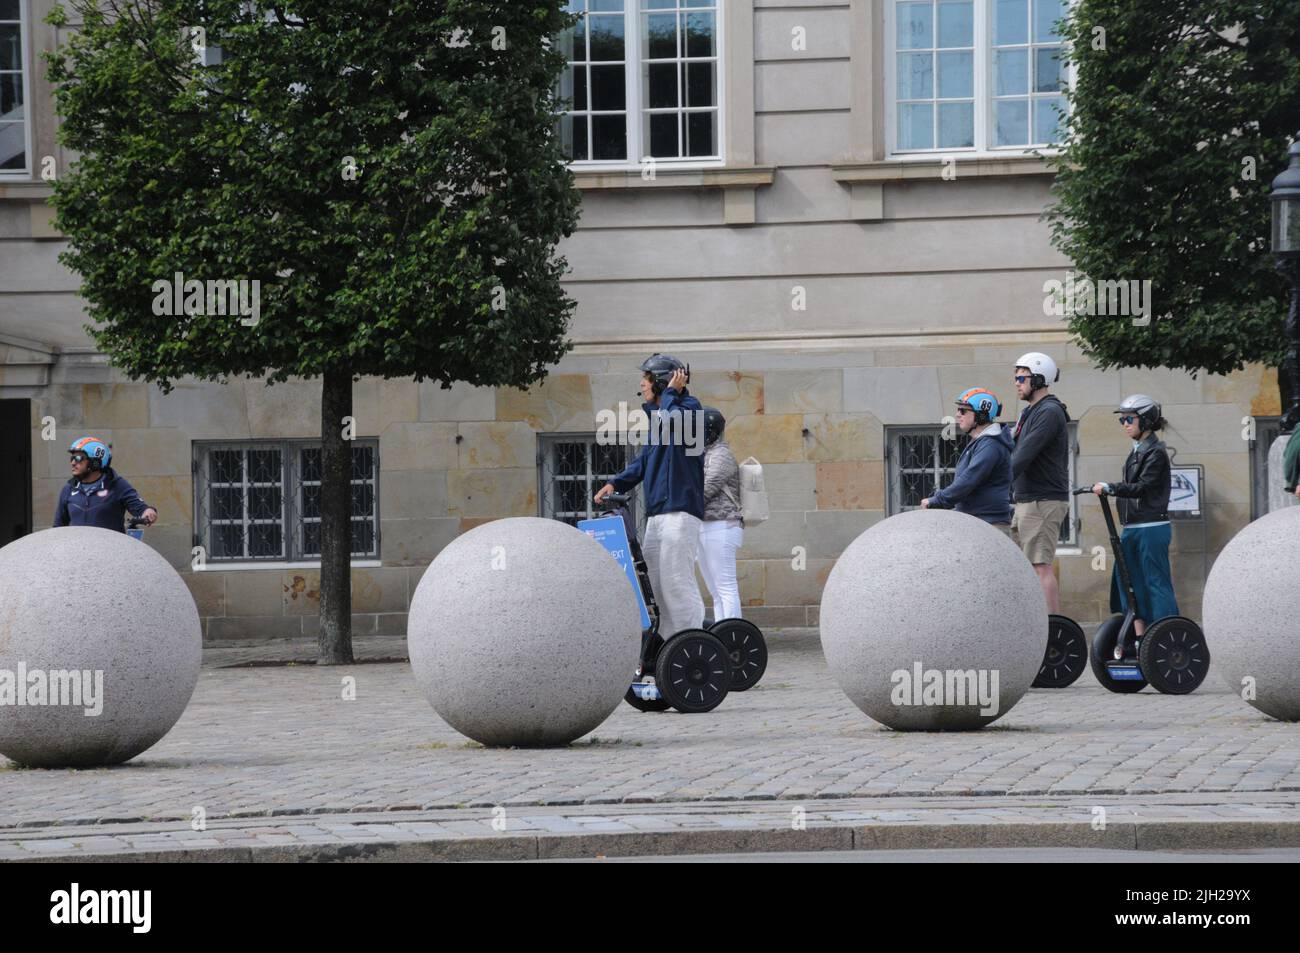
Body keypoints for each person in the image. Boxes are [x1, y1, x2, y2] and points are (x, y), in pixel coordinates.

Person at [594, 355, 705, 638]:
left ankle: (691, 642)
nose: (642, 384)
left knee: (677, 583)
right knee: (656, 584)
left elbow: (674, 423)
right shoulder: (659, 417)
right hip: (658, 514)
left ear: (662, 381)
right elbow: (645, 461)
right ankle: (670, 647)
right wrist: (616, 483)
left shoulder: (690, 409)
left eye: (647, 379)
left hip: (680, 511)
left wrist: (670, 393)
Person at [1091, 395, 1176, 637]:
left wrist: (1111, 487)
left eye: (1130, 419)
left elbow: (1143, 487)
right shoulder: (1137, 451)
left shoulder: (1156, 453)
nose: (1125, 424)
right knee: (1129, 584)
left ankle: (1166, 637)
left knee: (1155, 583)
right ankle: (1141, 640)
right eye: (1123, 420)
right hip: (1131, 526)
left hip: (1152, 526)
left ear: (1146, 421)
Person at [1009, 352, 1070, 613]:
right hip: (1026, 500)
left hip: (1042, 501)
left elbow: (1022, 456)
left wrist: (996, 481)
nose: (1017, 383)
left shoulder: (1049, 412)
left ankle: (1052, 633)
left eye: (1021, 378)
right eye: (1016, 378)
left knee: (1040, 567)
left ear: (1039, 378)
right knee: (1025, 567)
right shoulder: (1029, 412)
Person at [922, 388, 1013, 534]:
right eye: (958, 410)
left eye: (963, 411)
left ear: (981, 415)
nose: (958, 415)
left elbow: (969, 479)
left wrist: (937, 500)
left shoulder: (990, 445)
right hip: (978, 522)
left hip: (989, 525)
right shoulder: (981, 442)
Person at [697, 407, 744, 621]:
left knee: (726, 587)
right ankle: (721, 635)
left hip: (722, 526)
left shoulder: (721, 455)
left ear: (709, 431)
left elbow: (707, 488)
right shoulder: (704, 454)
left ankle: (733, 633)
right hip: (705, 526)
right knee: (716, 592)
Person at [54, 436, 158, 531]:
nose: (72, 463)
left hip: (109, 549)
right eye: (72, 458)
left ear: (95, 462)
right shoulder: (68, 489)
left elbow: (140, 508)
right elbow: (58, 527)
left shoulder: (117, 485)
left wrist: (148, 512)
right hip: (78, 549)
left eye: (78, 458)